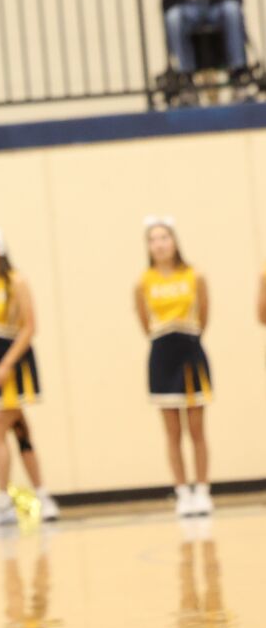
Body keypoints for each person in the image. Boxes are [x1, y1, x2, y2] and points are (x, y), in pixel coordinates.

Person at [0, 227, 58, 527]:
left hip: (15, 361)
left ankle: (3, 502)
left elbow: (30, 327)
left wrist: (6, 365)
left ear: (0, 250)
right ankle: (43, 497)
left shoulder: (16, 281)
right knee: (20, 430)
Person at [134, 216, 213, 518]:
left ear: (174, 241)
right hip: (161, 354)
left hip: (191, 352)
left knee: (197, 428)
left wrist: (190, 337)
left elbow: (204, 314)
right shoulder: (143, 281)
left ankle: (203, 490)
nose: (160, 244)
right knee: (172, 431)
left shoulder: (195, 275)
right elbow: (144, 321)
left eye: (164, 237)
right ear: (148, 246)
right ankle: (182, 491)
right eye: (153, 239)